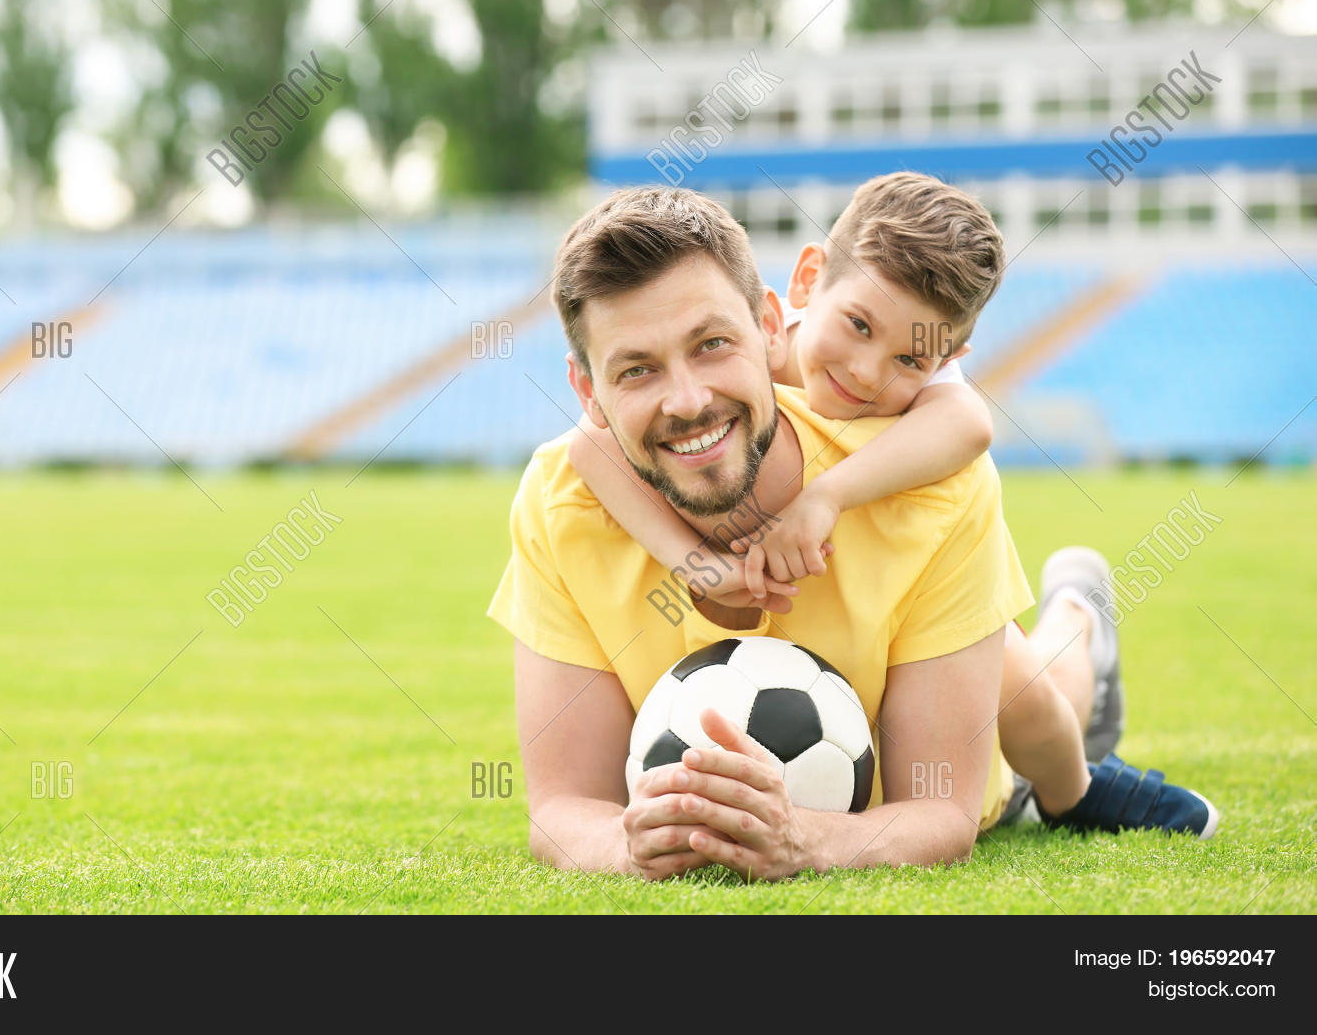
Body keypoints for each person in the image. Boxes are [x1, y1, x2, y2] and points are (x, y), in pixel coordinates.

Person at [486, 184, 1216, 883]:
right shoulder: (569, 492)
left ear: (767, 323)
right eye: (638, 368)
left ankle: (1078, 634)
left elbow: (935, 813)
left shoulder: (926, 465)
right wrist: (628, 842)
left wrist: (803, 840)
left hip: (943, 642)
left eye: (711, 344)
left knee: (1042, 704)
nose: (688, 398)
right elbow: (561, 813)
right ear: (590, 391)